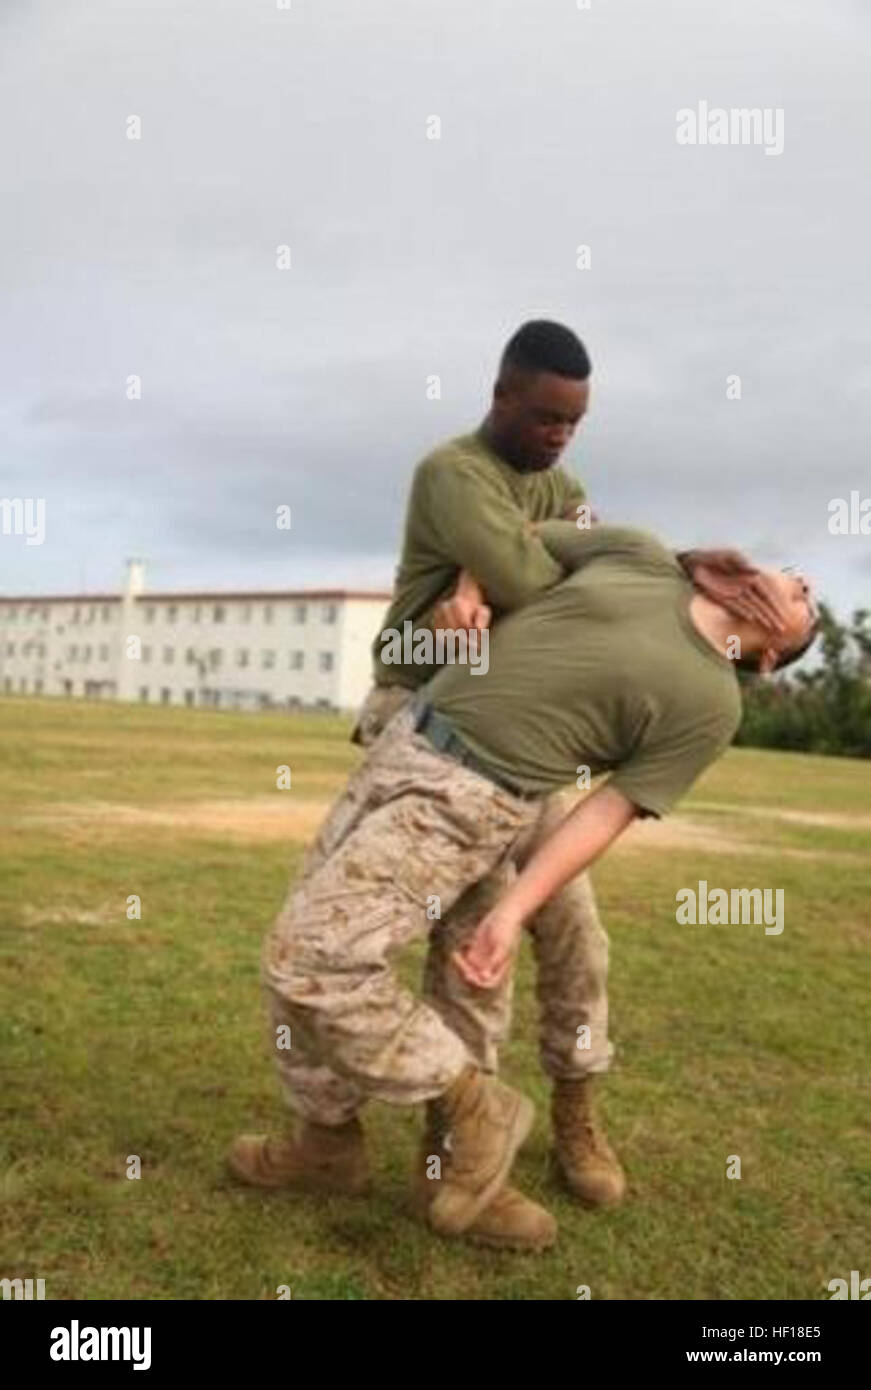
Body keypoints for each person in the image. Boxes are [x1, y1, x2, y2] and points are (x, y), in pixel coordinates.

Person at [229, 519, 817, 1251]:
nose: (805, 583)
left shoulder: (708, 706)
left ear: (768, 657)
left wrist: (511, 911)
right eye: (800, 575)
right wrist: (467, 592)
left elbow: (604, 812)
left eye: (810, 607)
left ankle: (473, 1114)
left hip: (471, 800)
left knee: (314, 956)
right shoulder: (642, 557)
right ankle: (326, 1146)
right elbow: (507, 541)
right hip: (405, 738)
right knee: (302, 942)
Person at [349, 319, 788, 1217]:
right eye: (546, 416)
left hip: (528, 742)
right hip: (424, 716)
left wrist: (653, 563)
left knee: (576, 931)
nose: (558, 437)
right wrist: (487, 580)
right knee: (467, 942)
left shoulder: (567, 487)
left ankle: (576, 1110)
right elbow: (531, 580)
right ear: (502, 393)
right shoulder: (453, 473)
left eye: (574, 423)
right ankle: (452, 1144)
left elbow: (580, 569)